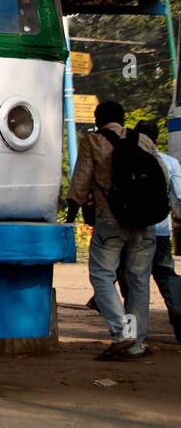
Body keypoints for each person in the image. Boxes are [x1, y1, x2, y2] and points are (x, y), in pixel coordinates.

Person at [67, 101, 165, 360]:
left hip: (111, 221)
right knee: (138, 282)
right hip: (144, 223)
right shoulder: (143, 140)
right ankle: (135, 343)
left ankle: (122, 332)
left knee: (101, 275)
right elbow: (162, 176)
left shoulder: (93, 142)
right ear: (123, 119)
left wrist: (70, 217)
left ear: (98, 120)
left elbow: (80, 182)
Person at [134, 121, 181, 343]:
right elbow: (180, 196)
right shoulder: (170, 163)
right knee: (166, 276)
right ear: (158, 139)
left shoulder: (126, 159)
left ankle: (131, 335)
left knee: (133, 283)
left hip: (132, 231)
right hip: (161, 230)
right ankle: (177, 310)